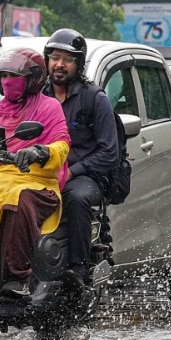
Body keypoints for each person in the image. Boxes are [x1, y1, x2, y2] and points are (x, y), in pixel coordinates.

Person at [0, 48, 70, 297]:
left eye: (13, 76)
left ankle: (17, 278)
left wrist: (38, 152)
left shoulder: (49, 107)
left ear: (34, 78)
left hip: (38, 183)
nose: (7, 81)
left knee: (17, 199)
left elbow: (62, 146)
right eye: (3, 76)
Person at [42, 28, 118, 283]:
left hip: (83, 176)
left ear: (79, 63)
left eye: (67, 59)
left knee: (76, 197)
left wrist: (73, 170)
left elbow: (109, 152)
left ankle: (78, 269)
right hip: (43, 172)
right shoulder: (38, 97)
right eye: (54, 58)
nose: (59, 65)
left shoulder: (94, 98)